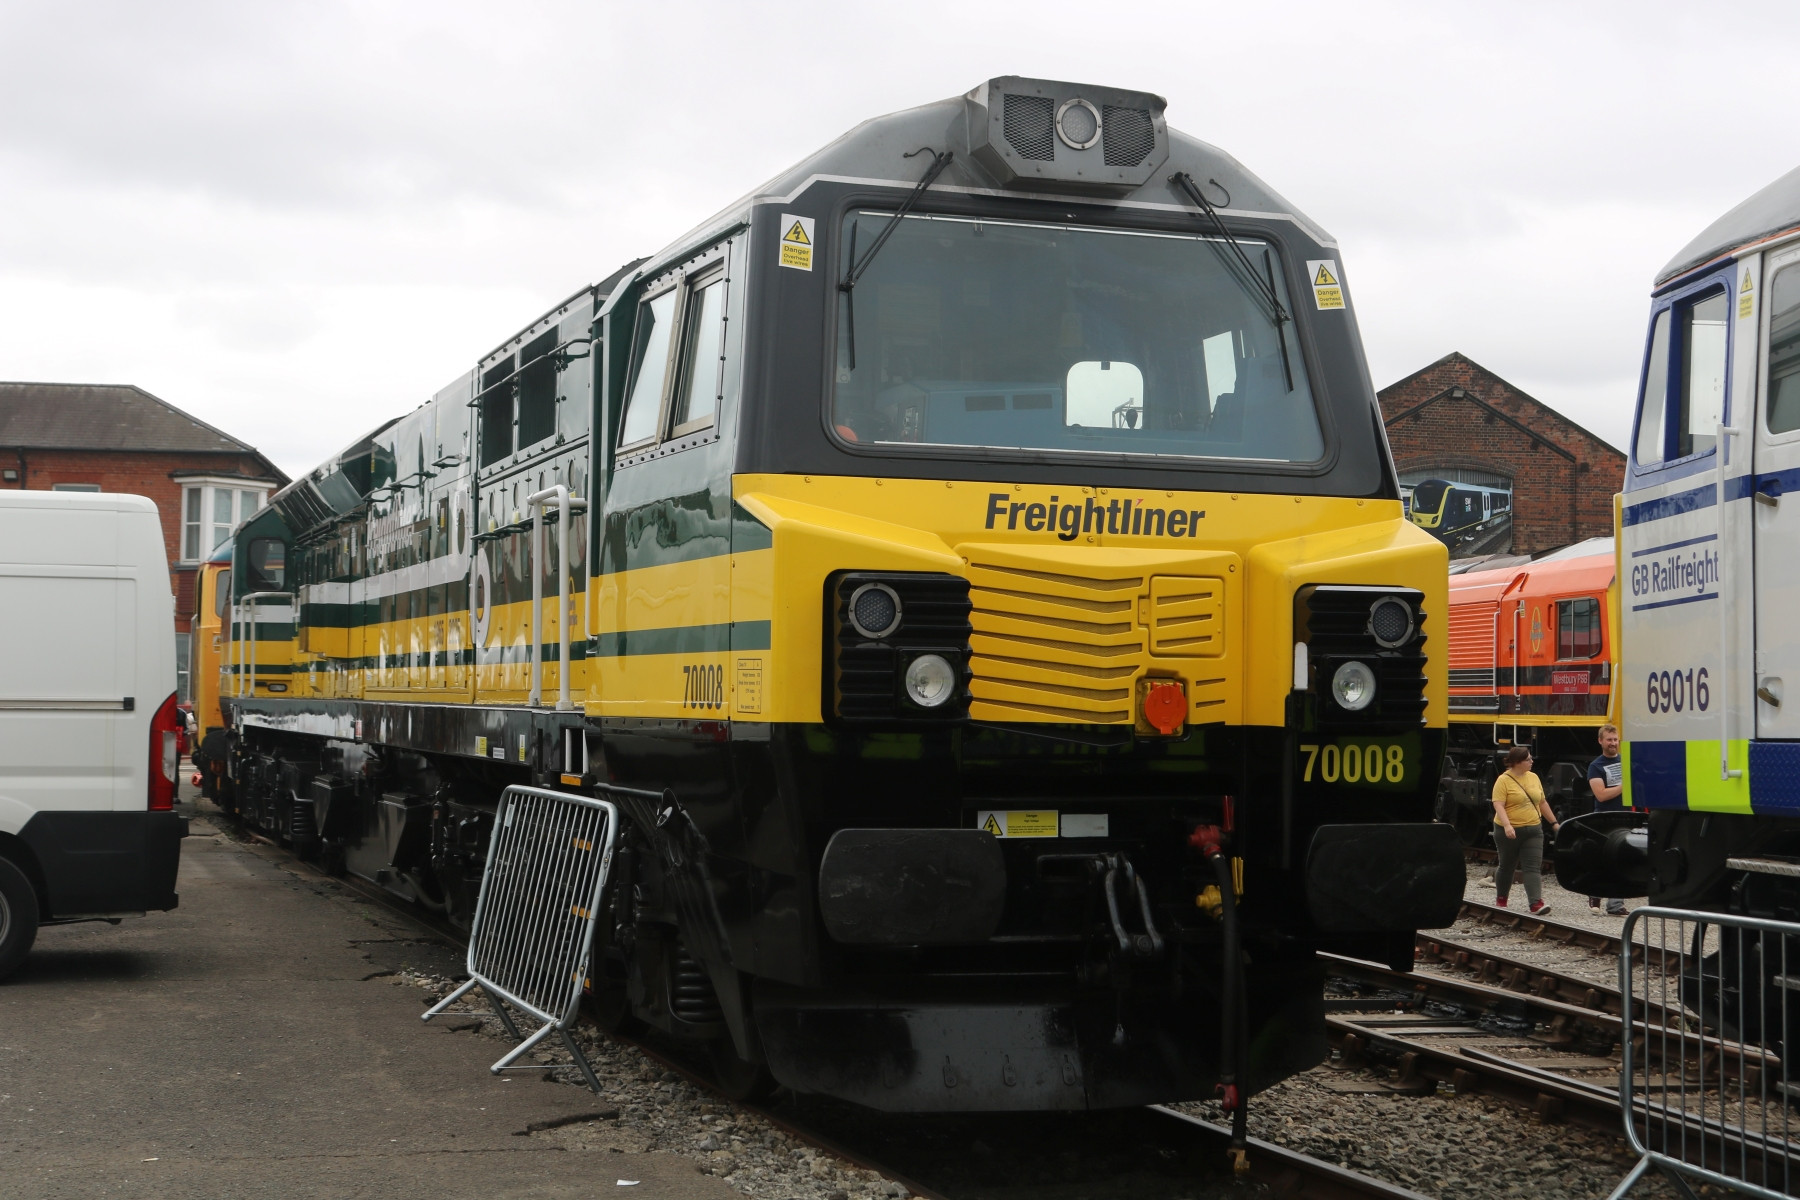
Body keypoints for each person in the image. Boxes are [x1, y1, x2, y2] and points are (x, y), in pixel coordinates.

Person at [1491, 745, 1560, 914]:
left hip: (1533, 830)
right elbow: (1498, 804)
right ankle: (1501, 899)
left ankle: (1535, 903)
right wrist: (1507, 825)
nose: (1532, 761)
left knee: (1532, 867)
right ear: (1516, 762)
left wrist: (1554, 823)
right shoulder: (1503, 780)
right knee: (1507, 866)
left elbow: (1542, 802)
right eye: (1528, 759)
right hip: (1509, 830)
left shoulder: (1534, 777)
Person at [1586, 724, 1626, 915]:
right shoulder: (1596, 766)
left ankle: (1616, 905)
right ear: (1600, 741)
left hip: (1625, 816)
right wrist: (1625, 786)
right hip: (1604, 818)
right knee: (1602, 859)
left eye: (1615, 739)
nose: (1613, 743)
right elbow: (1600, 795)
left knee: (1622, 858)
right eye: (1609, 740)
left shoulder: (1625, 761)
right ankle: (1595, 894)